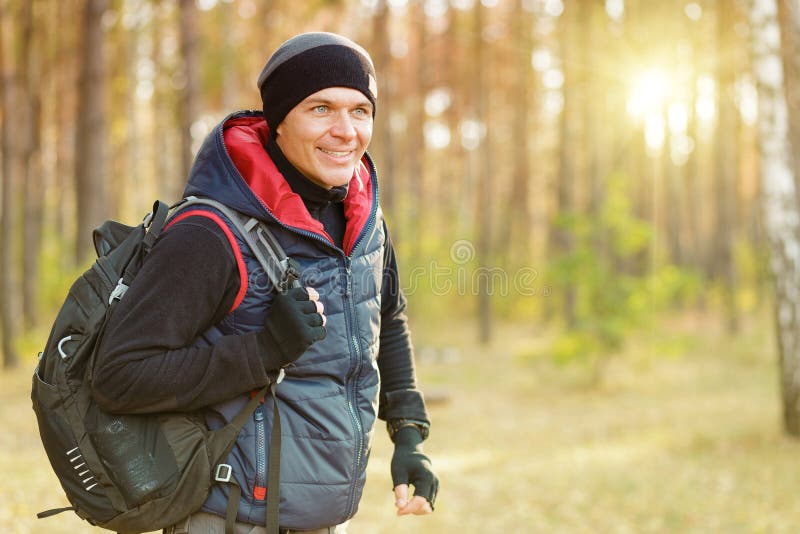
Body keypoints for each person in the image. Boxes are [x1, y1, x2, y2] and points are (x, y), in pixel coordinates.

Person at [92, 32, 438, 533]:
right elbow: (120, 377)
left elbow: (386, 318)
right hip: (226, 516)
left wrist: (408, 435)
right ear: (278, 122)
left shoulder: (364, 221)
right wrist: (264, 349)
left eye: (360, 110)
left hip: (319, 518)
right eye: (321, 108)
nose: (346, 131)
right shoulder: (209, 234)